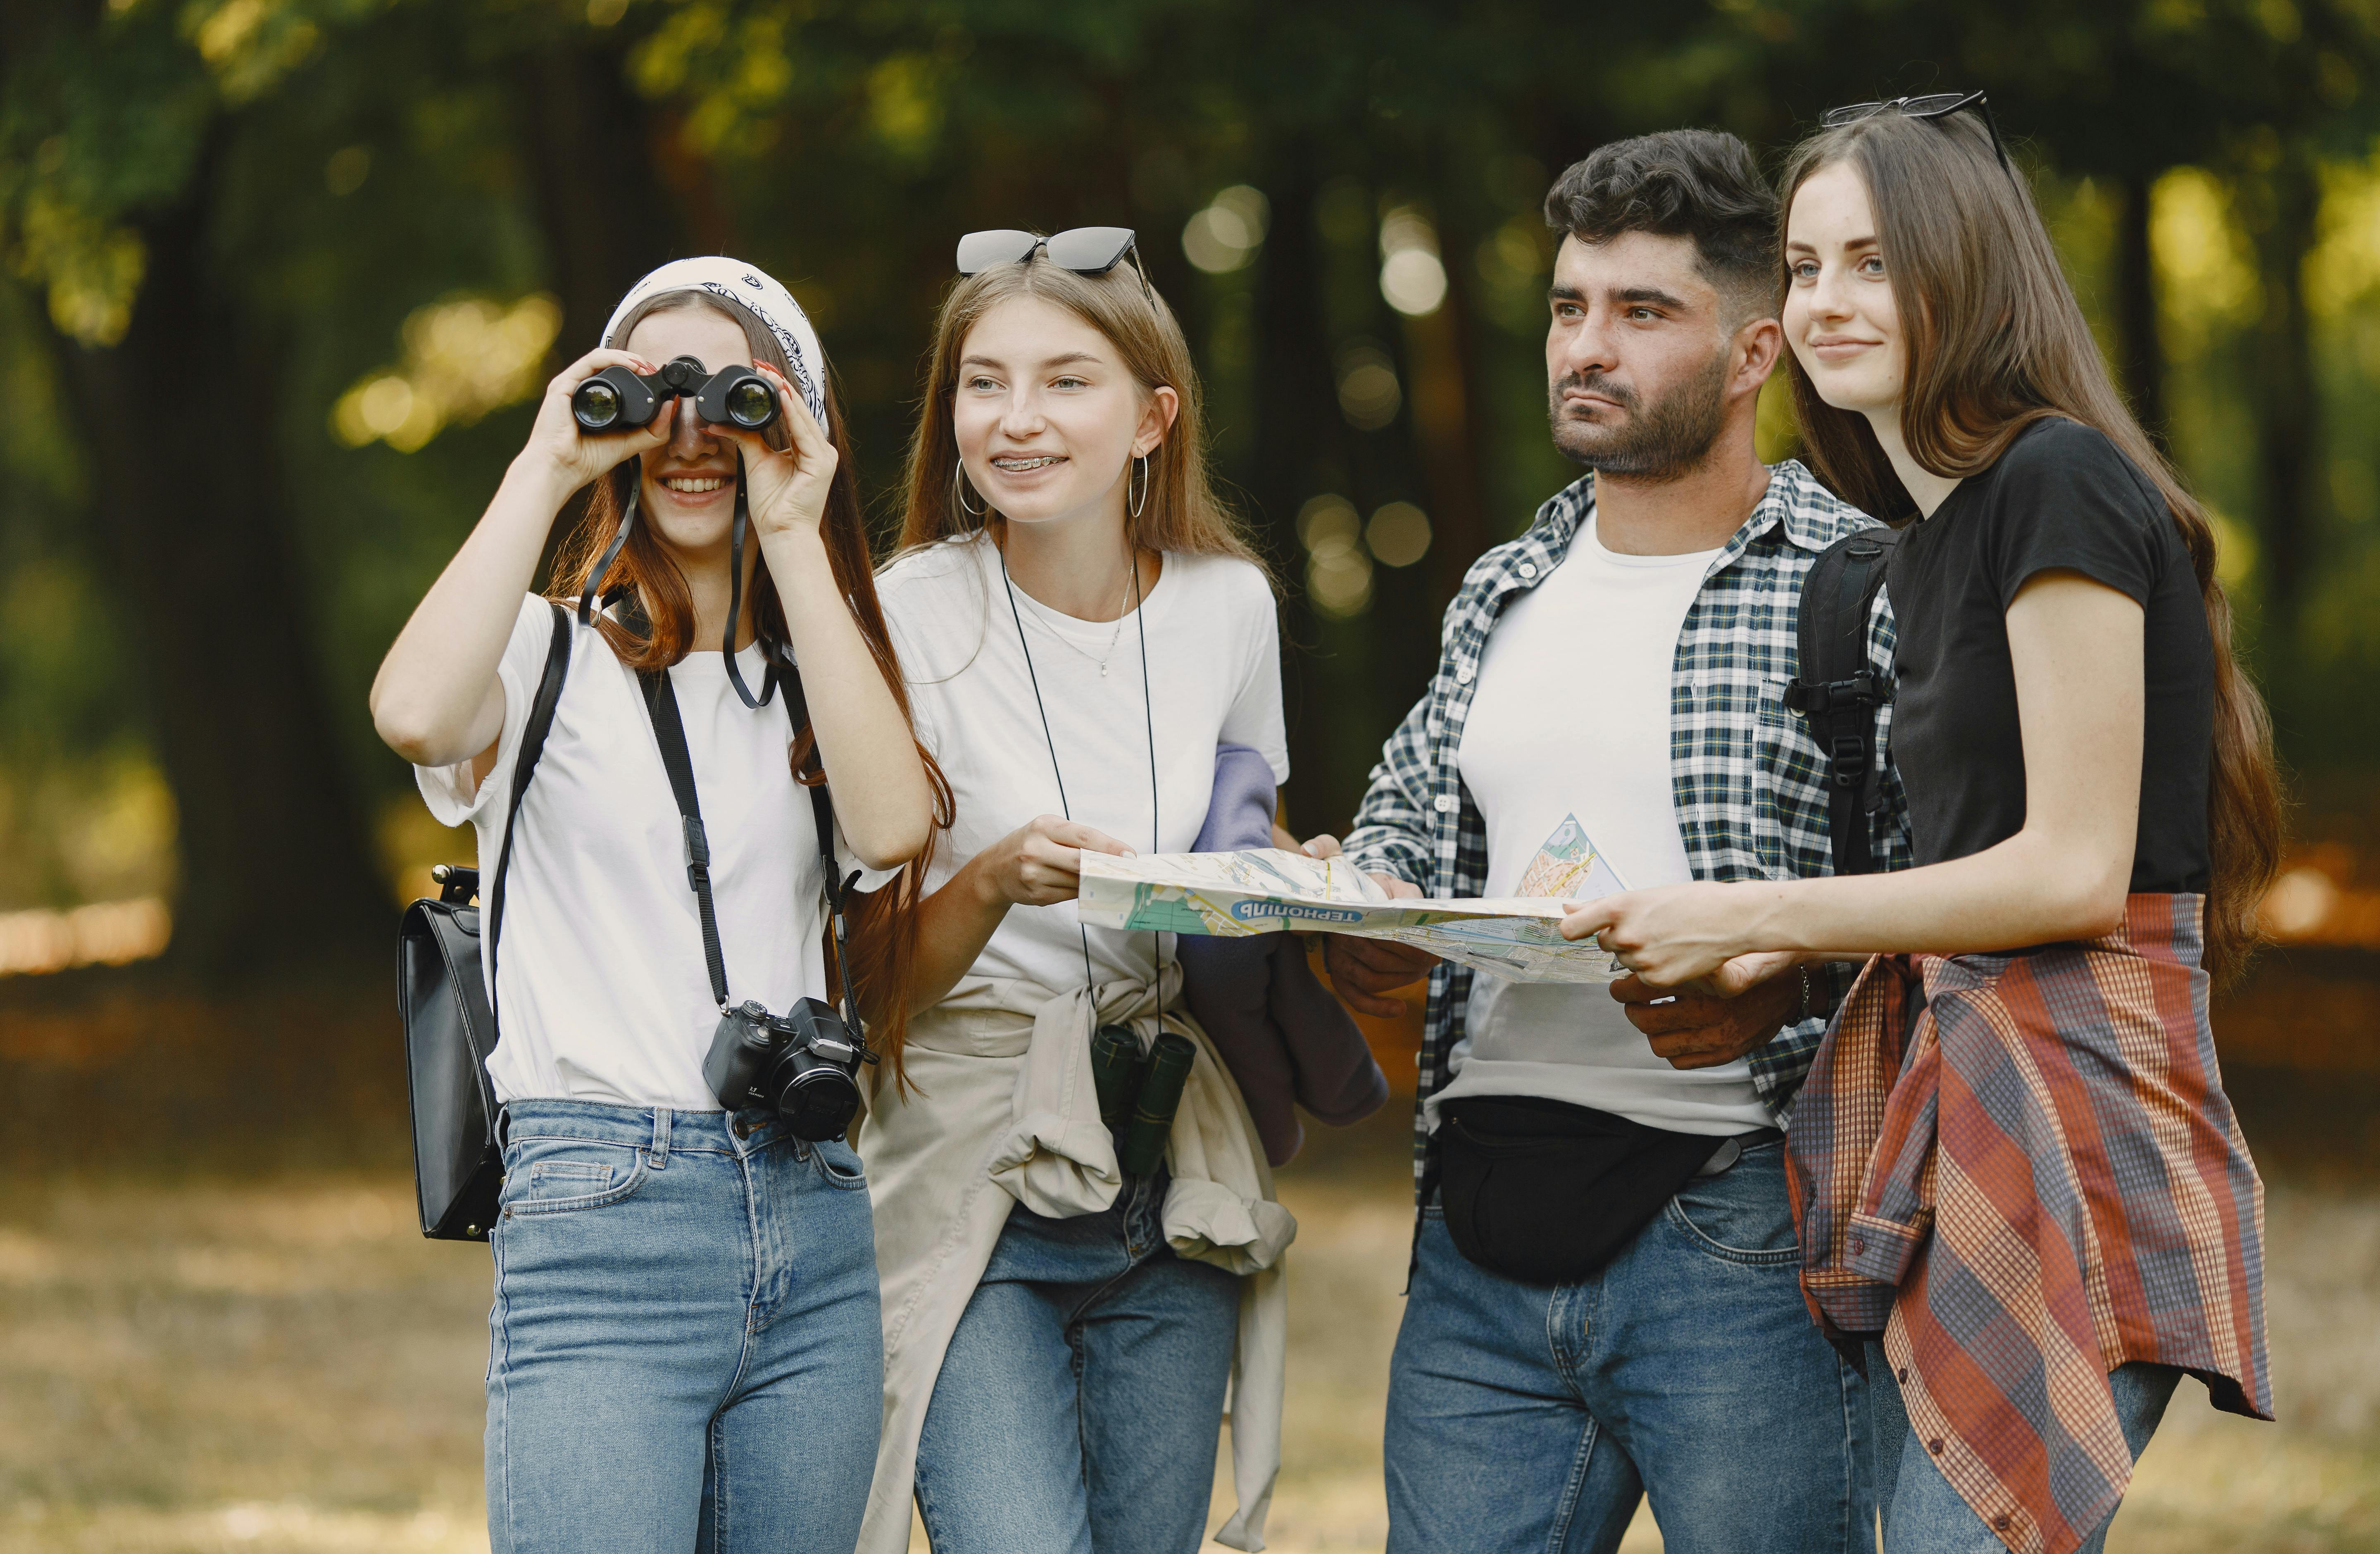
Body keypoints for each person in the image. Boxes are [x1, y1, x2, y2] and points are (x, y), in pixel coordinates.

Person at [1565, 97, 2280, 1554]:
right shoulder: (1929, 537)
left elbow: (2075, 872)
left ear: (1967, 272)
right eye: (1809, 267)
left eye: (1874, 264)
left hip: (2075, 1109)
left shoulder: (2056, 481)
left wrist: (1754, 911)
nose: (1829, 303)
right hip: (1954, 1104)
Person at [1326, 131, 1902, 1553]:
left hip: (1744, 1230)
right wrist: (1360, 912)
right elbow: (1403, 825)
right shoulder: (1500, 587)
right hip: (1475, 1236)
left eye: (1642, 313)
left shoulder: (1862, 590)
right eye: (1572, 307)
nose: (1588, 346)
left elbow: (1956, 902)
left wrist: (1788, 974)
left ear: (1757, 350)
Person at [369, 257, 940, 1554]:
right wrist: (548, 466)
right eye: (651, 390)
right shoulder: (541, 652)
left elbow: (895, 829)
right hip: (601, 1207)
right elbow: (412, 712)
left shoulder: (819, 672)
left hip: (808, 1206)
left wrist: (795, 529)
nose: (691, 434)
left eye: (732, 397)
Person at [855, 230, 1295, 1554]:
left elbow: (1239, 844)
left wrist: (1294, 878)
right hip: (974, 1160)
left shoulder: (1234, 606)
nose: (1017, 419)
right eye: (983, 384)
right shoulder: (903, 614)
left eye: (1065, 382)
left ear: (1154, 417)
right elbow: (866, 983)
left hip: (1170, 1166)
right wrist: (993, 880)